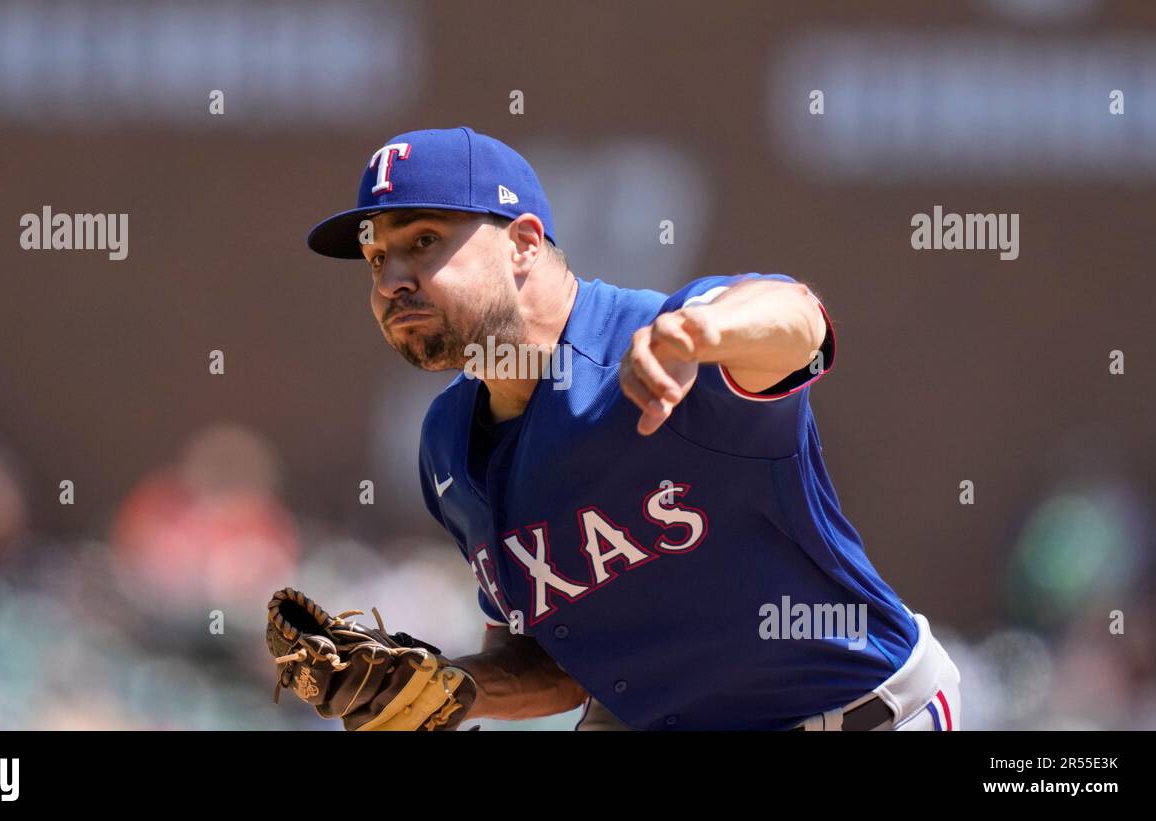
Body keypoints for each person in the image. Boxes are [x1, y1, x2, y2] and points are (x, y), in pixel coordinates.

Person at [306, 126, 961, 731]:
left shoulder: (659, 343)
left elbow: (800, 320)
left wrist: (706, 332)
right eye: (375, 259)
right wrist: (454, 685)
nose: (393, 279)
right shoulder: (446, 445)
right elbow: (553, 661)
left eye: (423, 241)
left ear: (524, 244)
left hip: (857, 711)